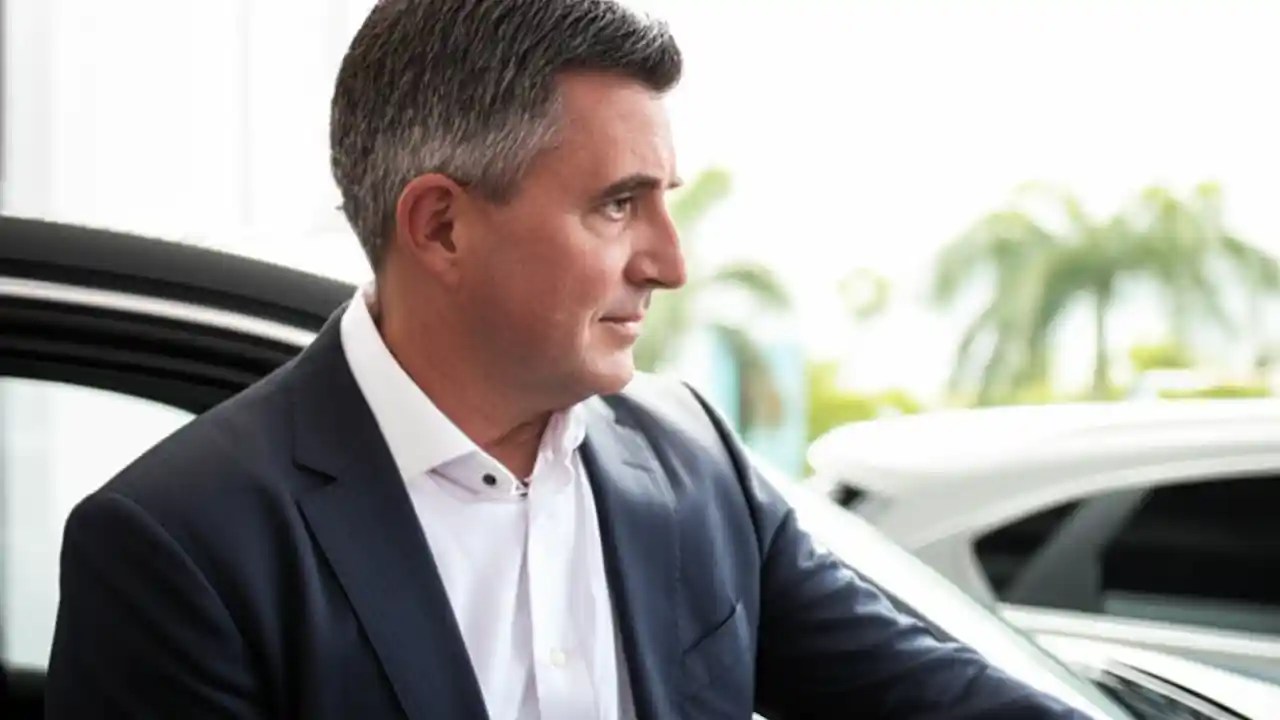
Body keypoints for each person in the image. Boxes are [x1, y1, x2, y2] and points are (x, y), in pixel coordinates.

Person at [45, 1, 1091, 718]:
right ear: (441, 228)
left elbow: (940, 698)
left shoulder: (691, 463)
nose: (670, 261)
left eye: (664, 199)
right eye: (617, 204)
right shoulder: (177, 547)